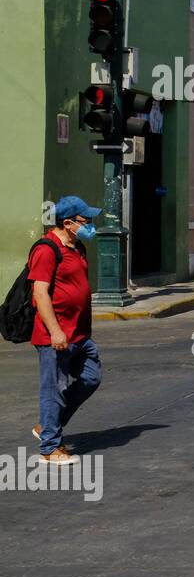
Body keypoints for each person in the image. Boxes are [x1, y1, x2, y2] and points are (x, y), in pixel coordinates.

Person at [29, 196, 103, 465]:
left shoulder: (77, 246)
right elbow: (40, 293)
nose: (91, 225)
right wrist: (56, 331)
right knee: (54, 389)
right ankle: (50, 448)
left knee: (91, 378)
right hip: (56, 336)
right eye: (86, 221)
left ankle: (48, 425)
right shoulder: (47, 250)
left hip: (80, 334)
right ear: (68, 222)